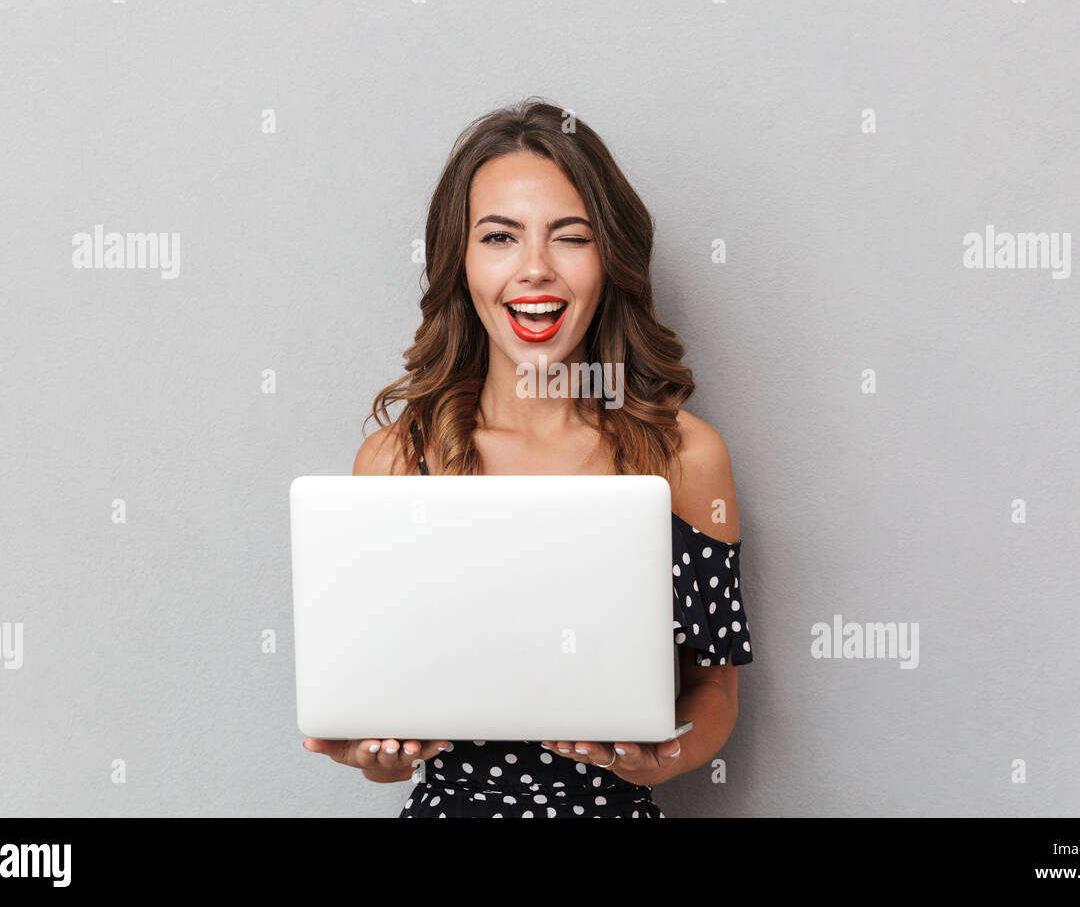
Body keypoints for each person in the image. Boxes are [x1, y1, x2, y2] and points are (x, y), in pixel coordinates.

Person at [302, 98, 753, 817]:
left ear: (610, 259)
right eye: (500, 237)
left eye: (570, 237)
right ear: (460, 260)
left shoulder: (685, 456)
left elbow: (716, 689)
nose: (535, 269)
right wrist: (375, 758)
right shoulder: (396, 462)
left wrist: (655, 762)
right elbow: (375, 732)